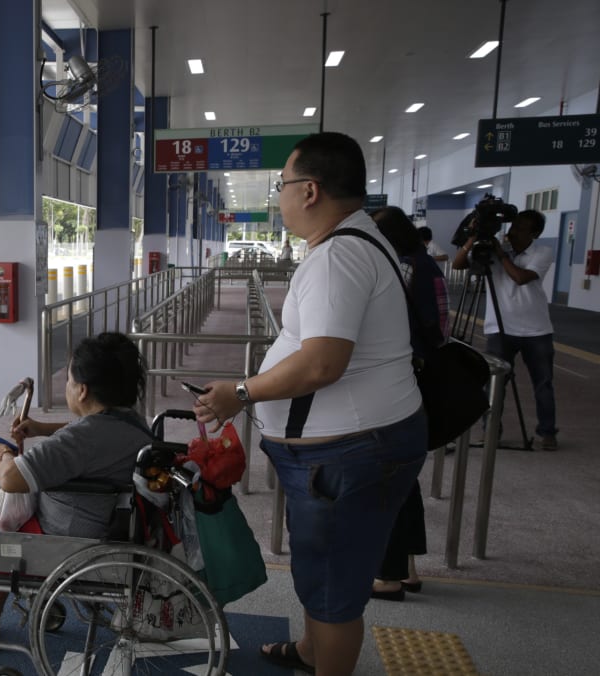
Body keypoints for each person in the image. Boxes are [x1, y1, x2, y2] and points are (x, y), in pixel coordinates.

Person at [191, 132, 427, 676]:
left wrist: (240, 393)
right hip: (353, 448)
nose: (280, 196)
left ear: (311, 190)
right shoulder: (356, 241)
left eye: (283, 185)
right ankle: (310, 651)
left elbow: (322, 363)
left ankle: (326, 659)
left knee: (333, 588)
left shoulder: (337, 256)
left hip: (347, 454)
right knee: (320, 569)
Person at [0, 332, 151, 673]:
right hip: (105, 528)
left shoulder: (82, 439)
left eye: (69, 380)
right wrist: (41, 428)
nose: (68, 386)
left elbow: (12, 478)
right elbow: (90, 435)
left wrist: (2, 454)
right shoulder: (131, 423)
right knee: (3, 533)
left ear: (82, 390)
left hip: (65, 538)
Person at [369, 206, 449, 601]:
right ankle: (408, 569)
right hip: (417, 375)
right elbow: (439, 328)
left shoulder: (400, 268)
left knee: (386, 474)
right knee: (404, 474)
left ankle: (389, 574)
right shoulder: (426, 265)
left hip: (397, 379)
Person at [451, 210, 558, 450]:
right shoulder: (491, 251)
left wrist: (501, 254)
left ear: (535, 233)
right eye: (513, 226)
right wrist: (473, 238)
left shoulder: (542, 252)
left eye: (520, 228)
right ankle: (491, 431)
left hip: (536, 330)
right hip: (499, 329)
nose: (512, 232)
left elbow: (521, 277)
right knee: (494, 385)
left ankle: (548, 432)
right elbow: (458, 264)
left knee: (543, 383)